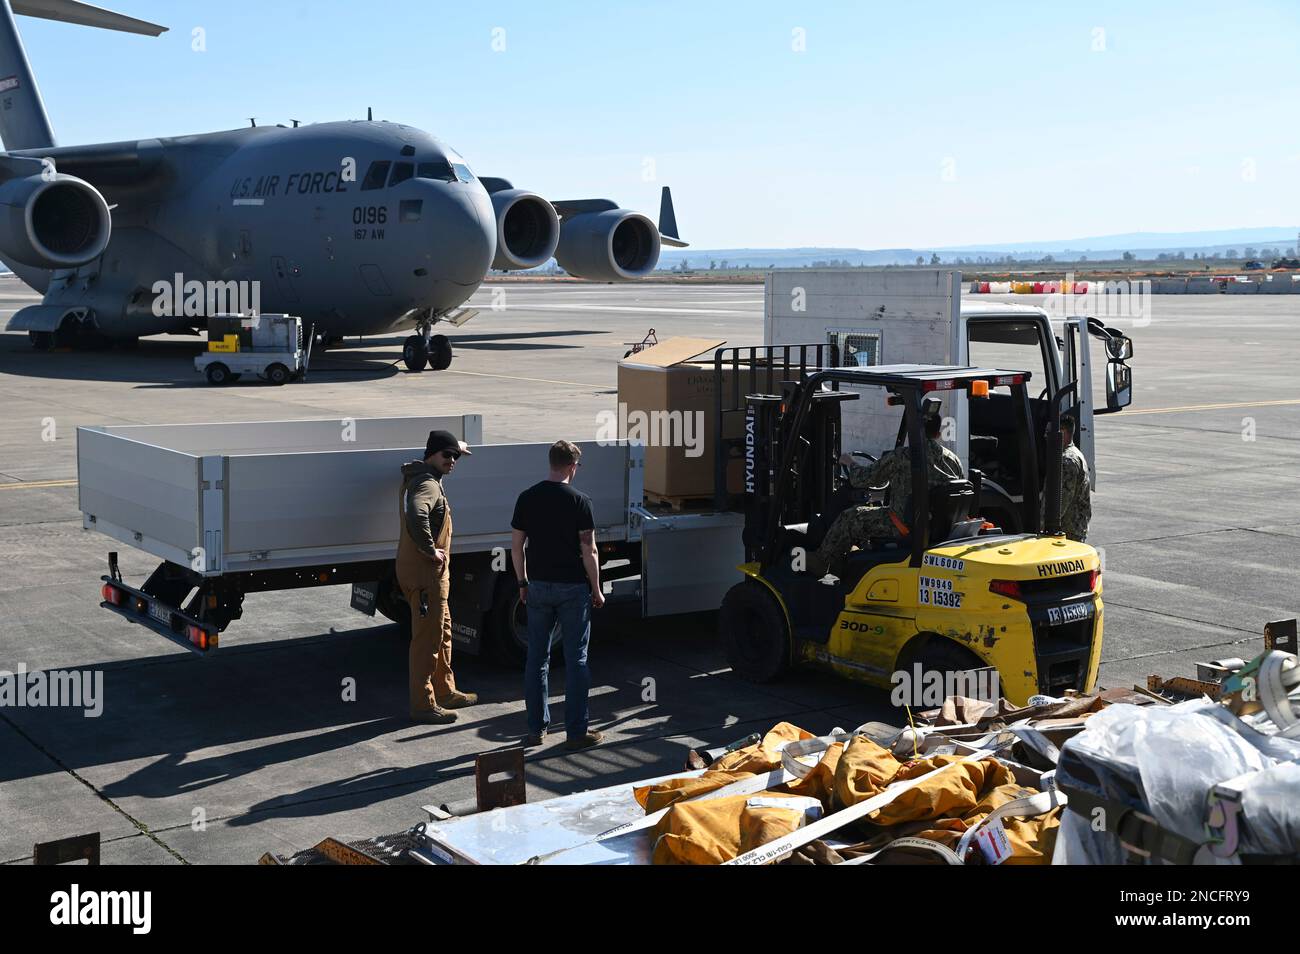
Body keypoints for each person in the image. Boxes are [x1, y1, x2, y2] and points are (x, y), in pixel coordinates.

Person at [511, 440, 604, 751]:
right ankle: (576, 732)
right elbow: (588, 549)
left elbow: (516, 545)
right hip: (573, 589)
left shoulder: (527, 498)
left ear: (551, 463)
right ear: (571, 467)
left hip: (537, 587)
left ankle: (536, 730)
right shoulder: (581, 501)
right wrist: (597, 588)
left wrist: (522, 583)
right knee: (576, 659)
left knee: (537, 659)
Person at [812, 415, 964, 573]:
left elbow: (862, 479)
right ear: (938, 434)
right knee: (875, 511)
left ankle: (822, 561)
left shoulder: (903, 456)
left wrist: (849, 462)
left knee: (850, 517)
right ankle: (852, 562)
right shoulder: (953, 460)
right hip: (937, 528)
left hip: (902, 526)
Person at [396, 429, 478, 724]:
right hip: (425, 575)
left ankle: (445, 690)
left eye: (456, 456)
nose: (453, 460)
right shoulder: (427, 485)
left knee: (442, 632)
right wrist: (431, 550)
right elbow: (417, 514)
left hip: (425, 574)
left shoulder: (422, 475)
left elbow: (447, 449)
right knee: (427, 640)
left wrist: (458, 446)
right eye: (448, 455)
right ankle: (423, 703)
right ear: (432, 454)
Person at [1056, 414, 1092, 542]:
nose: (1045, 435)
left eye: (1049, 432)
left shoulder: (1068, 461)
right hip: (1073, 529)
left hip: (1068, 532)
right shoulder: (1073, 454)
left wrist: (1044, 526)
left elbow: (1061, 501)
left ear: (1062, 432)